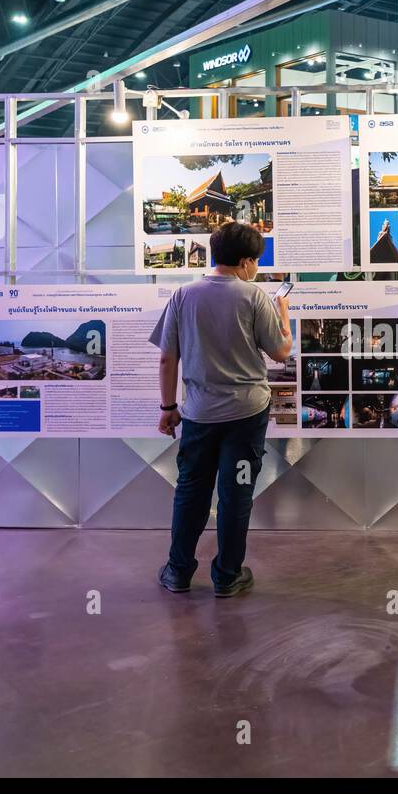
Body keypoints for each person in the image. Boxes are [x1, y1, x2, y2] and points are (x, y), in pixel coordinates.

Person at [151, 221, 293, 598]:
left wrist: (168, 407)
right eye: (256, 261)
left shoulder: (183, 295)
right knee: (236, 492)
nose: (256, 269)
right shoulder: (255, 296)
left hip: (198, 415)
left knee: (191, 490)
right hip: (246, 417)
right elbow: (280, 351)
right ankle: (227, 576)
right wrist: (284, 314)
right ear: (246, 261)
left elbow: (168, 359)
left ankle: (178, 572)